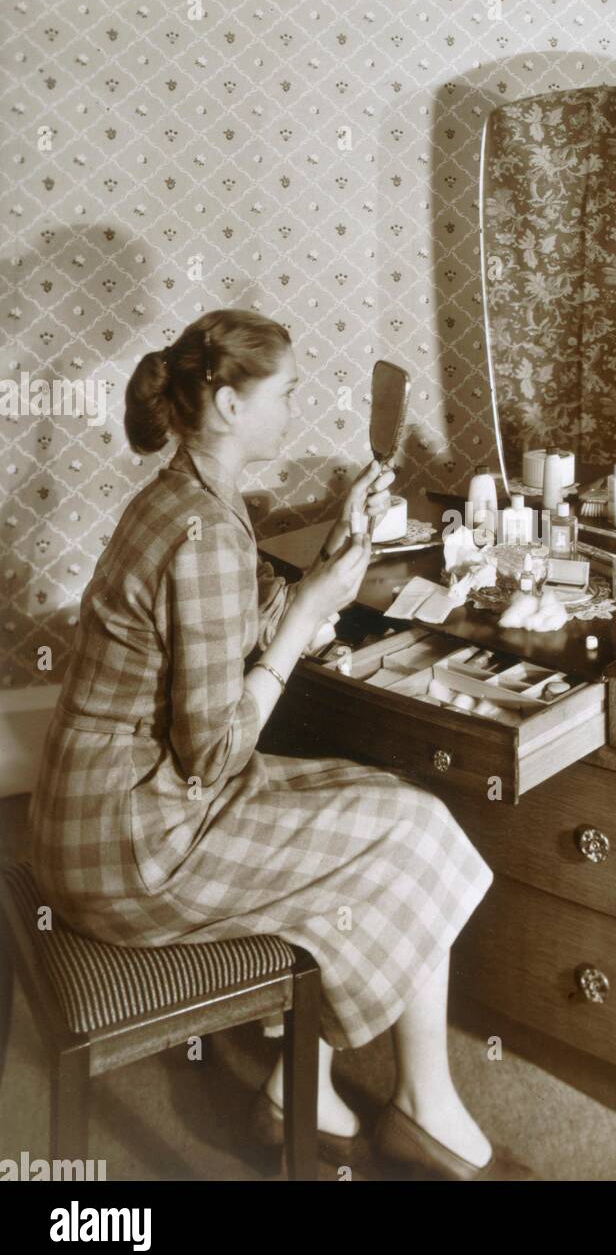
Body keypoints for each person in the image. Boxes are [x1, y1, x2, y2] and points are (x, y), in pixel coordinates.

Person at [28, 309, 528, 1180]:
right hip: (134, 845)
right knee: (408, 829)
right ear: (225, 403)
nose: (296, 410)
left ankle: (315, 1092)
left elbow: (226, 629)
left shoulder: (183, 496)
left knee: (390, 808)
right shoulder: (204, 529)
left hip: (101, 811)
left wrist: (340, 541)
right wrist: (305, 613)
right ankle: (422, 1111)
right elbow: (215, 754)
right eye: (285, 394)